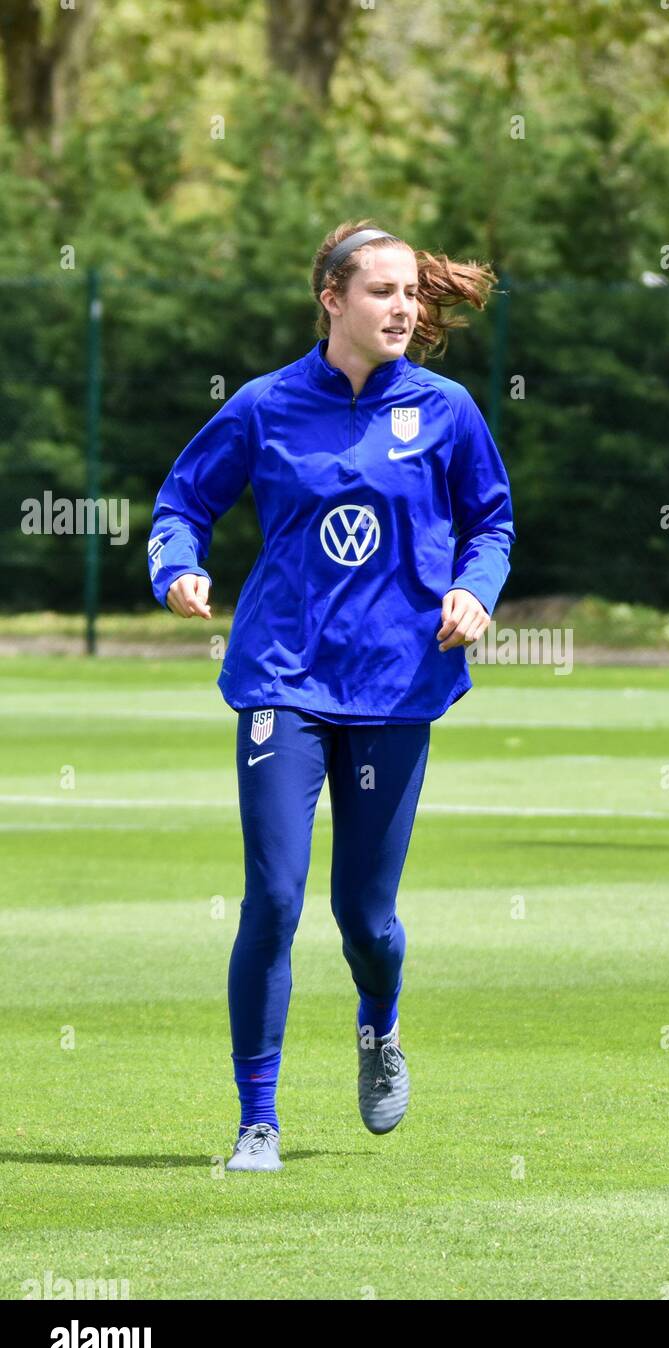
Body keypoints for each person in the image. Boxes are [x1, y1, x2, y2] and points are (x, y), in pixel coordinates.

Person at [146, 222, 515, 1170]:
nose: (403, 308)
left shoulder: (447, 409)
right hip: (280, 677)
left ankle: (379, 1024)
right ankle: (256, 1121)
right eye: (382, 293)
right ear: (333, 302)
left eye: (411, 295)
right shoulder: (265, 407)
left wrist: (476, 589)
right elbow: (182, 501)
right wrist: (177, 567)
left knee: (366, 919)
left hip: (397, 685)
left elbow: (492, 522)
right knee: (271, 898)